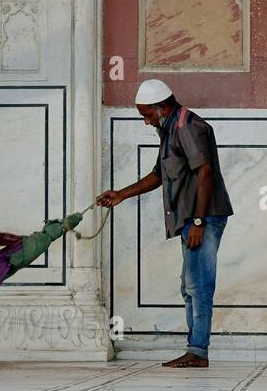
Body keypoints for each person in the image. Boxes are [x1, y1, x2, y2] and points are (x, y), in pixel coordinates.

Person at [96, 80, 233, 368]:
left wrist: (197, 220)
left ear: (163, 107)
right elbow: (158, 175)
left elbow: (205, 173)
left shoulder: (187, 127)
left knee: (199, 286)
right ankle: (195, 349)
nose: (146, 122)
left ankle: (198, 352)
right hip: (191, 218)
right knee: (189, 286)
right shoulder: (169, 129)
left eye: (147, 115)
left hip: (202, 218)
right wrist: (121, 194)